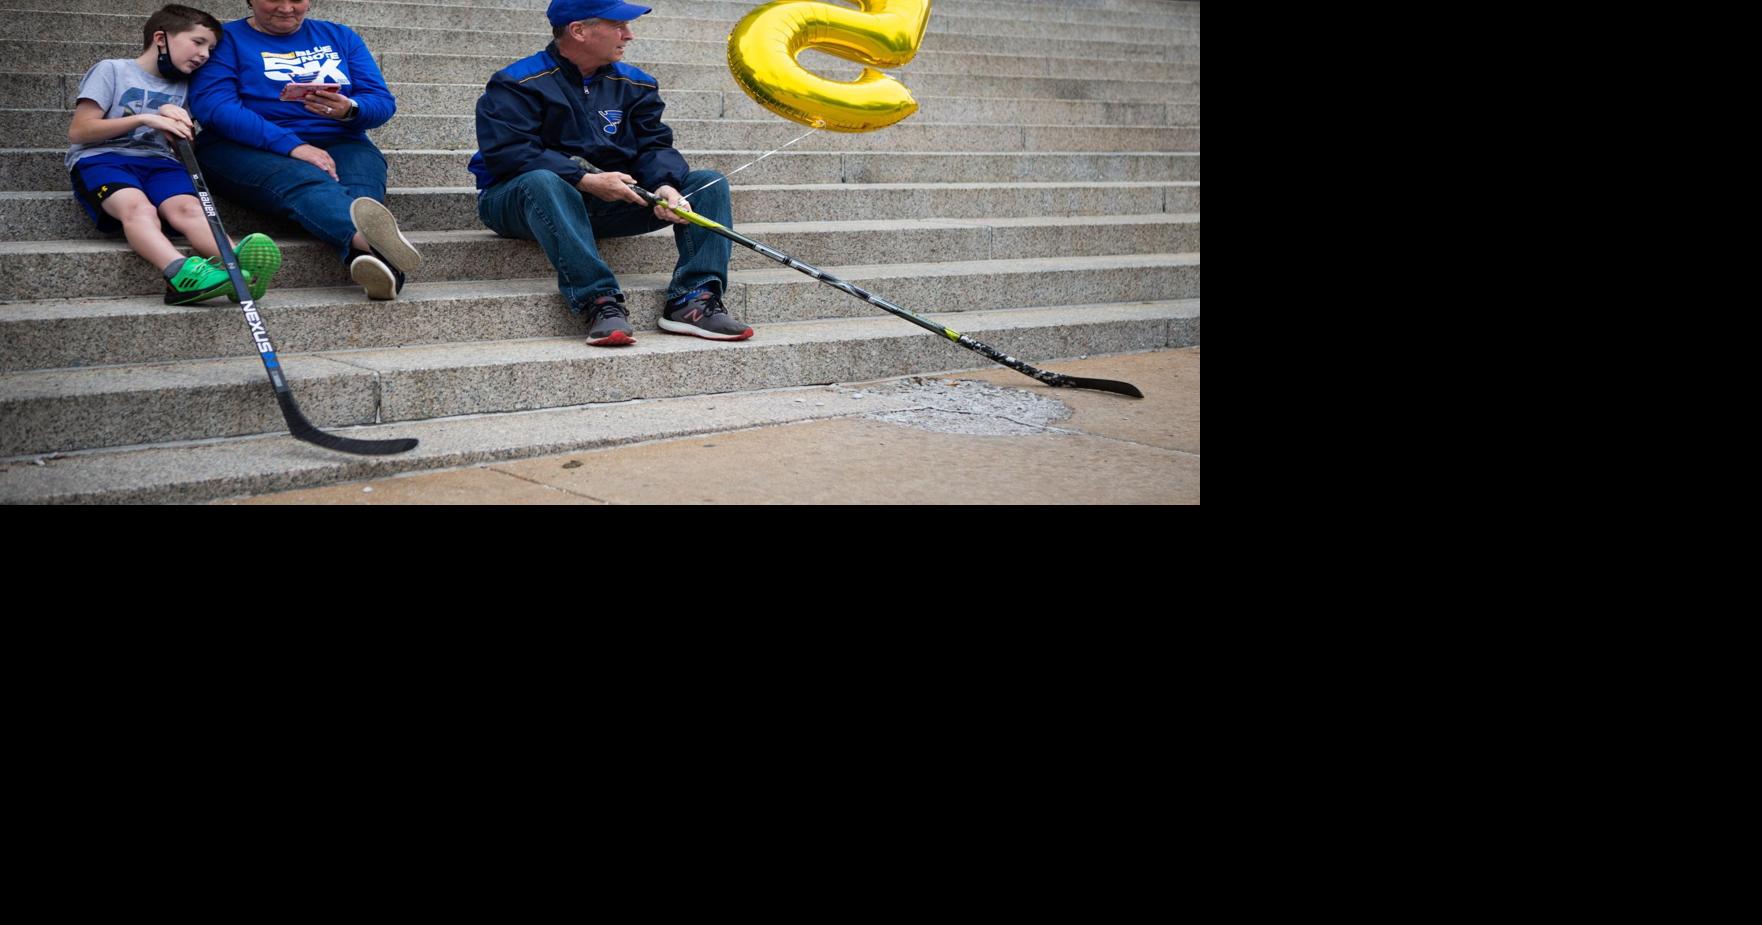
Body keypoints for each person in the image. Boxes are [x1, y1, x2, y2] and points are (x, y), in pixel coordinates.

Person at [470, 0, 752, 346]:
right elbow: (508, 153)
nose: (629, 35)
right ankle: (598, 300)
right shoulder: (517, 82)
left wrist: (664, 185)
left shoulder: (638, 84)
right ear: (579, 30)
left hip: (610, 200)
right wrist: (583, 180)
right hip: (520, 203)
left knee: (707, 182)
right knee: (543, 179)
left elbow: (654, 147)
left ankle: (693, 300)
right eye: (618, 25)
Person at [189, 0, 420, 299]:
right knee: (306, 181)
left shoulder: (340, 36)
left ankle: (370, 258)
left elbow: (380, 101)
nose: (287, 8)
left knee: (362, 197)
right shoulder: (226, 39)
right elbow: (216, 108)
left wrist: (350, 109)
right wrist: (293, 146)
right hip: (241, 146)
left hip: (341, 140)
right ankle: (380, 250)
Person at [67, 4, 283, 305]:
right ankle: (179, 272)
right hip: (103, 160)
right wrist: (147, 117)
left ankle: (238, 268)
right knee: (139, 209)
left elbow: (185, 150)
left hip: (161, 163)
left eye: (211, 48)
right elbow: (79, 131)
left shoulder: (188, 87)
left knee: (190, 209)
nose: (205, 54)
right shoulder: (112, 69)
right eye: (198, 42)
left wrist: (181, 126)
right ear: (161, 38)